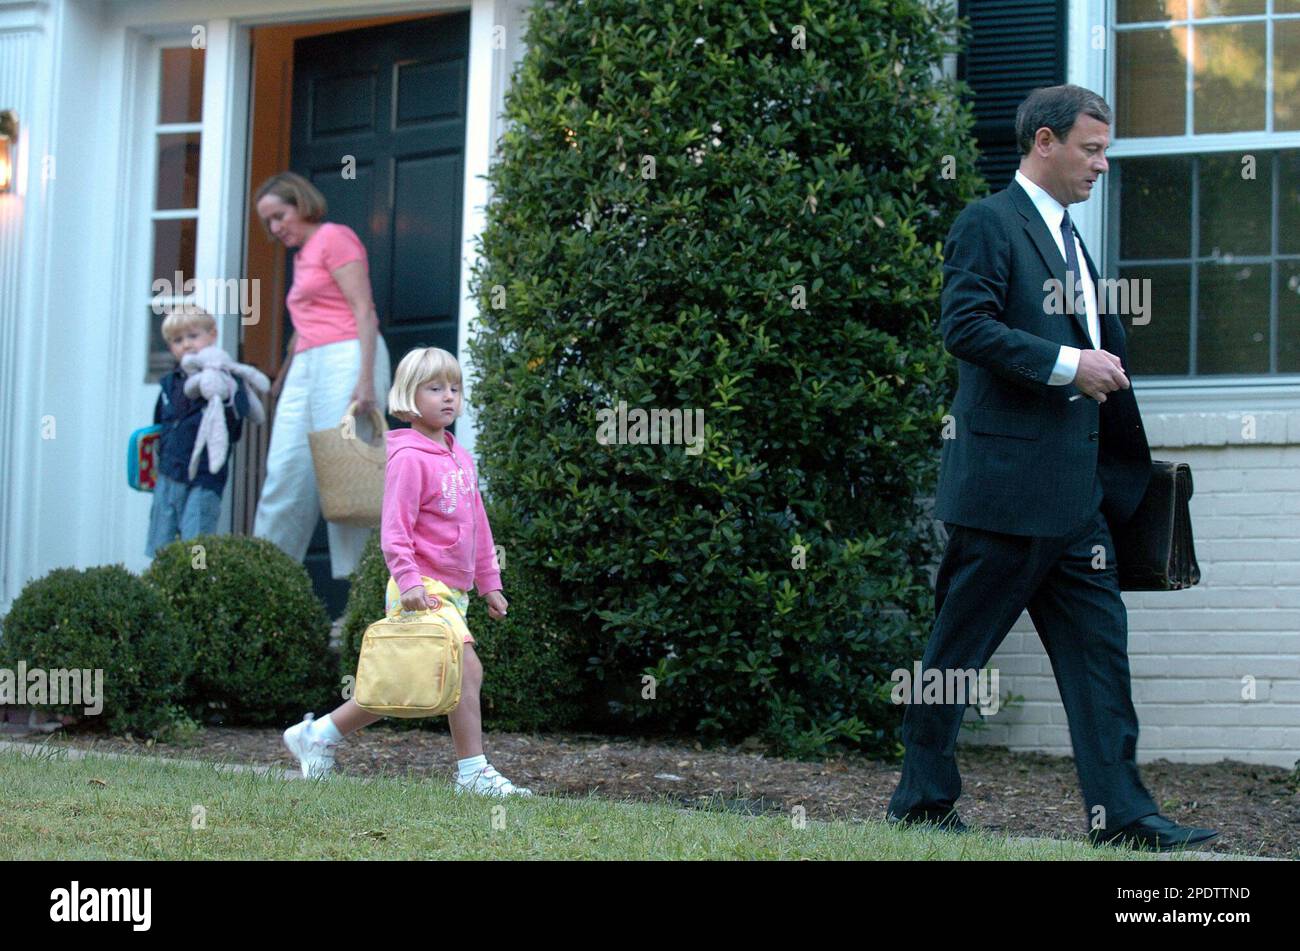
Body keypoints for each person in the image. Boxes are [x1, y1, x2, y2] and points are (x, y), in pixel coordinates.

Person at [885, 85, 1217, 851]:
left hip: (1079, 506)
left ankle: (1125, 817)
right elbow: (964, 326)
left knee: (1101, 663)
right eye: (1091, 149)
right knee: (953, 658)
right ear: (1043, 141)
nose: (1102, 164)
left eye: (1105, 150)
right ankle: (921, 798)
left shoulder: (1073, 239)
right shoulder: (987, 224)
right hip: (1004, 498)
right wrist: (1071, 364)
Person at [282, 346, 531, 797]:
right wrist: (411, 581)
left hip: (454, 590)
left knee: (403, 682)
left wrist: (489, 582)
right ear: (409, 396)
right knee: (467, 668)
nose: (448, 397)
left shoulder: (460, 457)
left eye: (454, 387)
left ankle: (318, 735)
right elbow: (395, 532)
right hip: (419, 584)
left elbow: (478, 522)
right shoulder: (408, 457)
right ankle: (473, 772)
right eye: (435, 388)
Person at [252, 171, 391, 580]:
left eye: (280, 216)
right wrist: (287, 368)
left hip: (348, 355)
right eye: (269, 223)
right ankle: (267, 582)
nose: (276, 229)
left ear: (301, 203)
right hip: (309, 364)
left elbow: (363, 310)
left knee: (344, 476)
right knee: (285, 470)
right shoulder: (301, 254)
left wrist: (365, 380)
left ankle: (360, 602)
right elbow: (311, 315)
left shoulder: (334, 236)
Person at [146, 304, 250, 557]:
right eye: (178, 340)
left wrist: (225, 396)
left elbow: (238, 421)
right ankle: (162, 588)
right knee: (162, 540)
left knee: (197, 541)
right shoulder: (170, 384)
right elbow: (161, 425)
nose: (187, 345)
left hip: (204, 477)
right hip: (170, 473)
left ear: (212, 335)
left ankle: (197, 584)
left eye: (193, 336)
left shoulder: (225, 378)